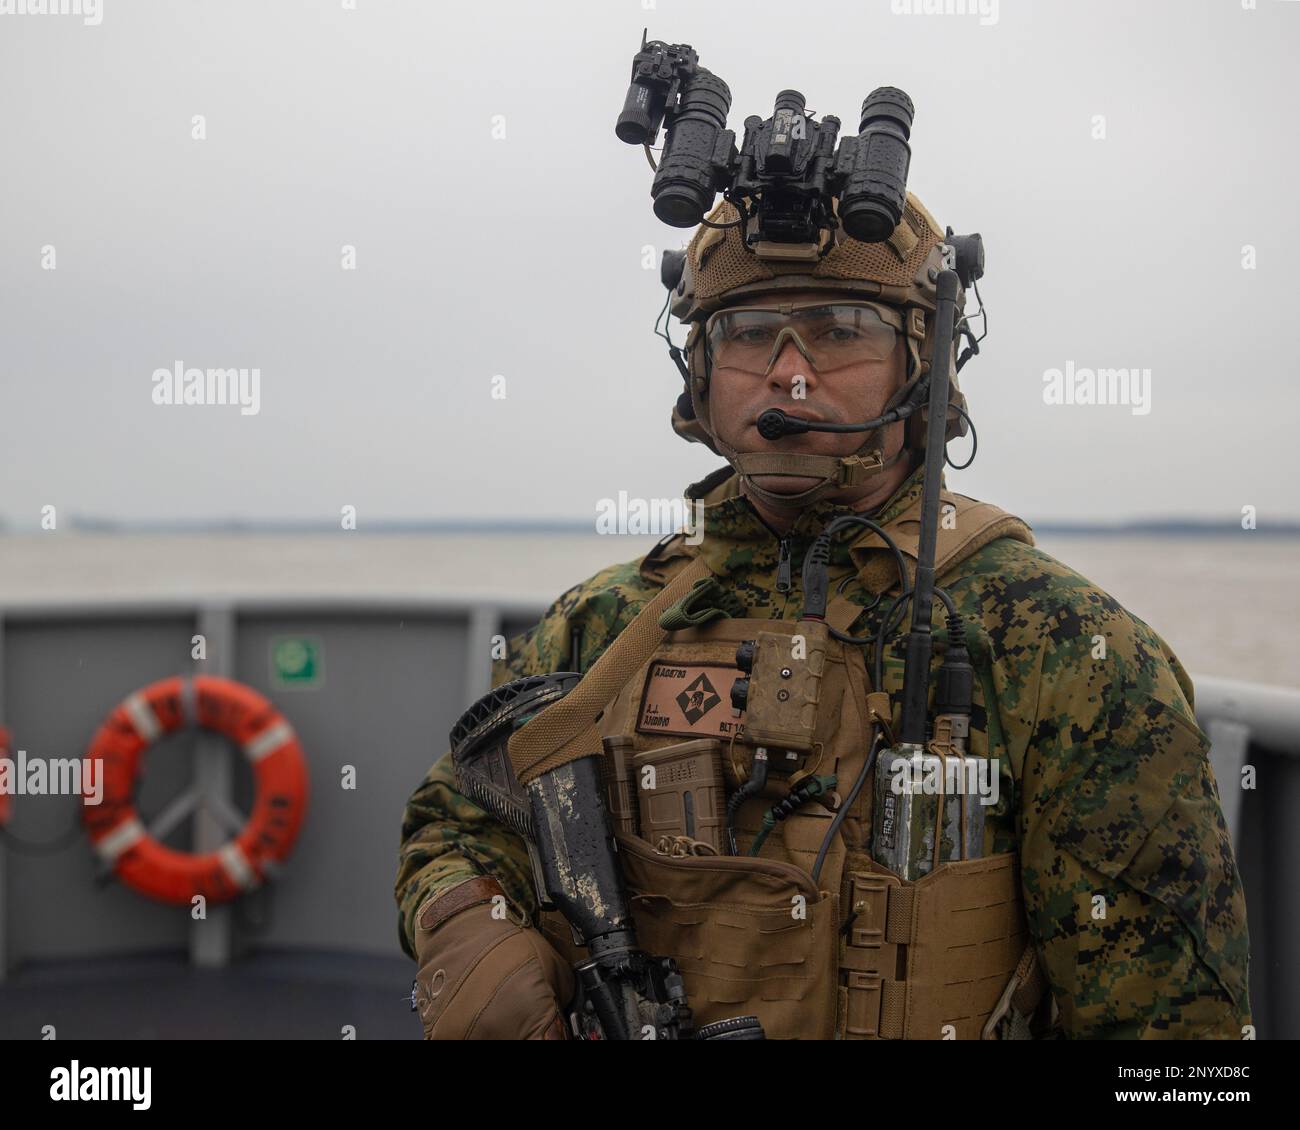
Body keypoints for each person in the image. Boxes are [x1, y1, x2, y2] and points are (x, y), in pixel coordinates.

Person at [393, 190, 1251, 1040]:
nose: (790, 372)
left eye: (840, 330)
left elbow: (1174, 1045)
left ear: (920, 362)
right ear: (701, 370)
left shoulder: (1063, 648)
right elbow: (460, 822)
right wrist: (470, 932)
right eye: (751, 333)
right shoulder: (603, 624)